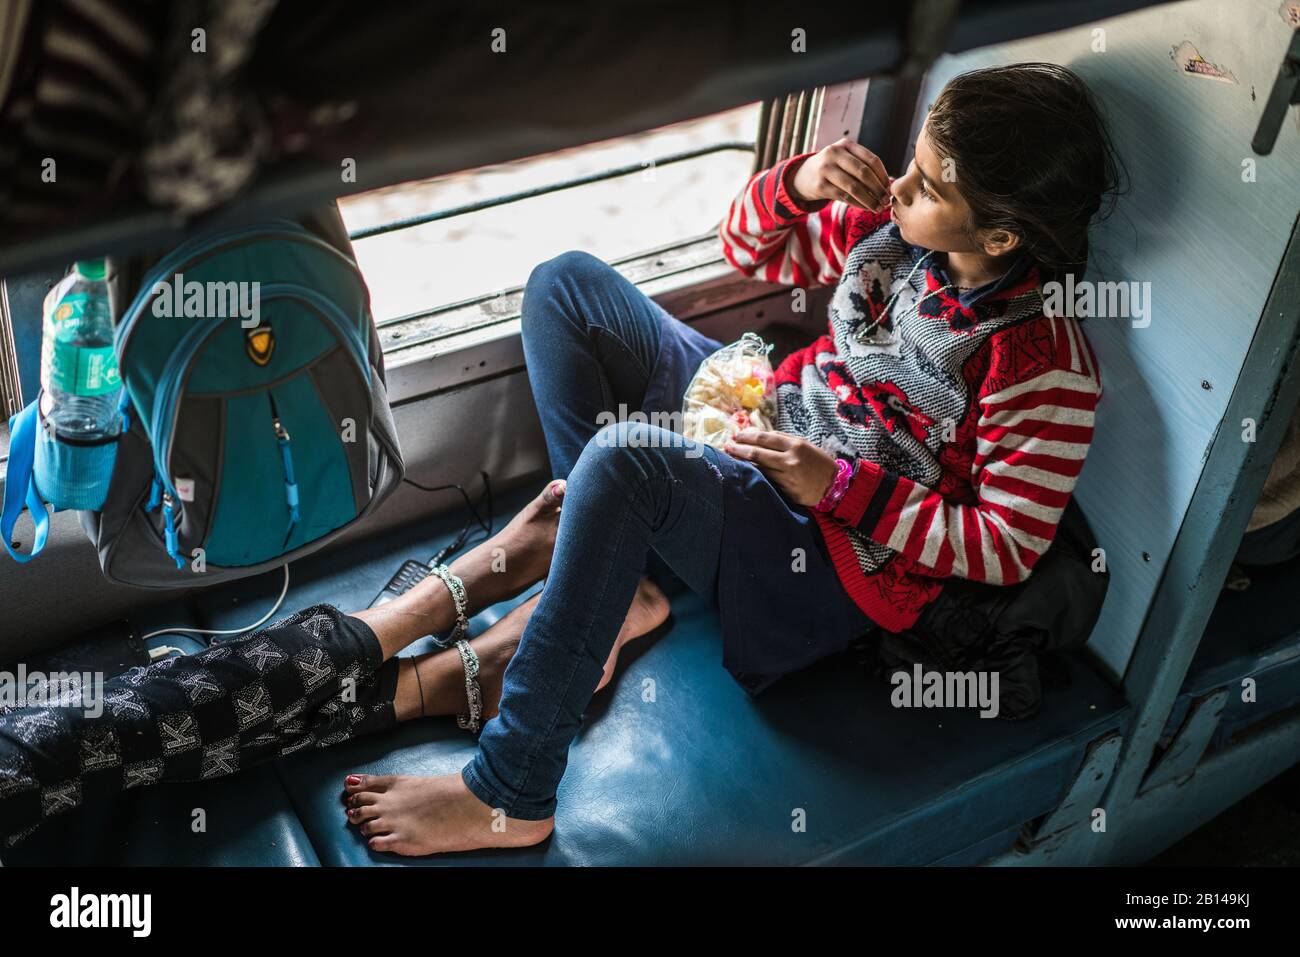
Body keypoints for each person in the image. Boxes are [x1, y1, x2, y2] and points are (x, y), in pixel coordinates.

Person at [336, 62, 1120, 855]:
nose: (901, 184)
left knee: (620, 460)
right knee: (565, 286)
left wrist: (840, 485)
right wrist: (804, 180)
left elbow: (1005, 545)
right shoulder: (892, 239)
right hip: (769, 415)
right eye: (911, 162)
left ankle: (512, 787)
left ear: (999, 236)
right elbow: (748, 245)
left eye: (928, 184)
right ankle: (617, 588)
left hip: (832, 553)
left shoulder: (1041, 365)